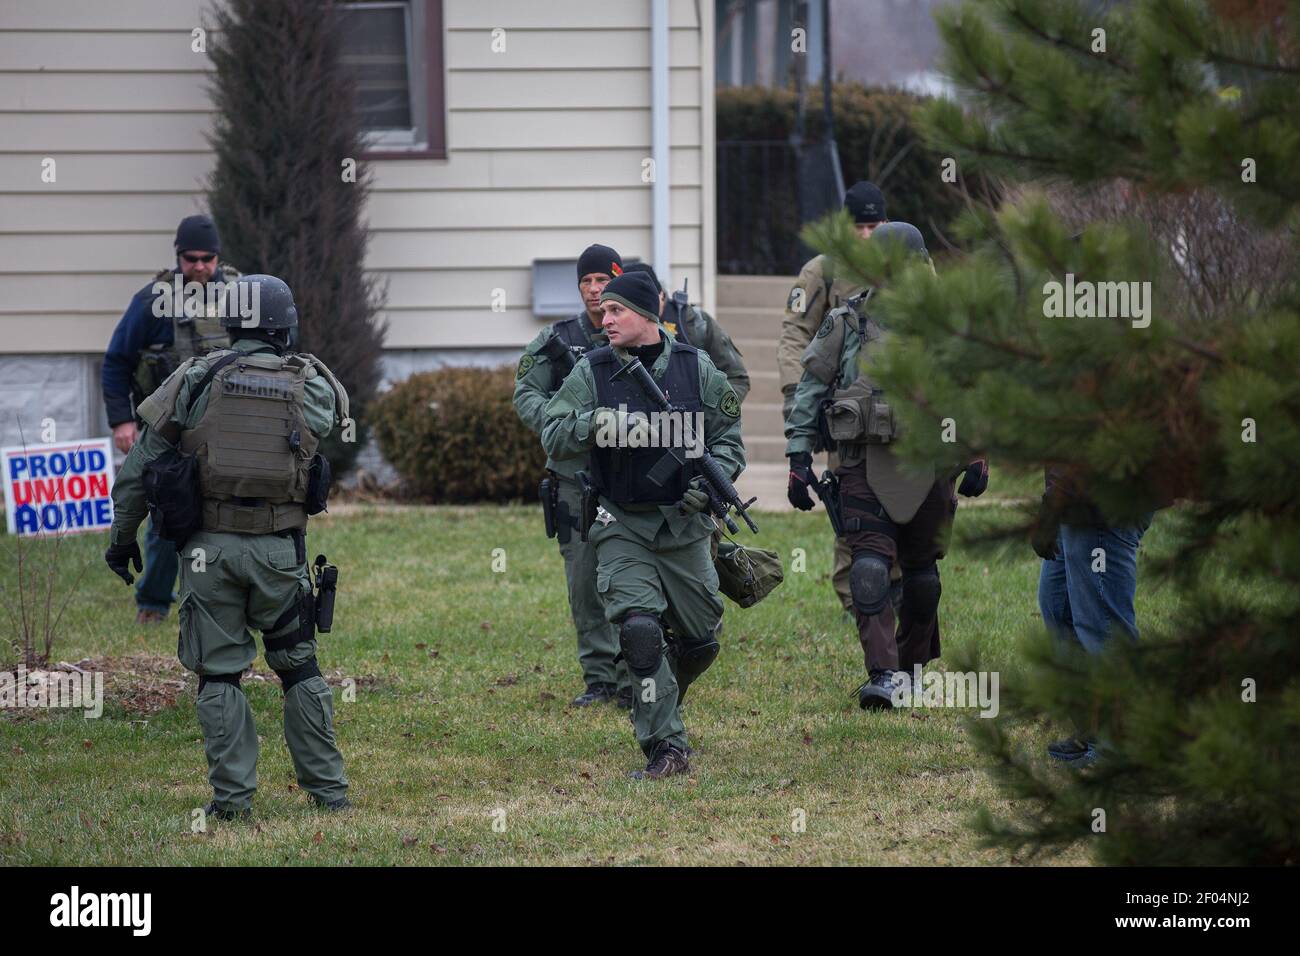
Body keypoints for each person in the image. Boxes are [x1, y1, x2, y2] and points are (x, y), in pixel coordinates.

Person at [104, 274, 349, 820]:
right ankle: (330, 795)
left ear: (231, 322)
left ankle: (233, 804)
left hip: (206, 554)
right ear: (285, 326)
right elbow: (331, 419)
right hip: (279, 553)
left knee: (218, 677)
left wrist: (123, 541)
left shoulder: (193, 378)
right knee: (299, 669)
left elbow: (139, 469)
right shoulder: (310, 382)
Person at [541, 271, 746, 779]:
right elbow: (552, 432)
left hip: (684, 524)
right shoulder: (593, 371)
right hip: (620, 521)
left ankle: (652, 689)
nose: (603, 319)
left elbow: (729, 441)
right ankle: (665, 746)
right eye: (602, 311)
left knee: (702, 638)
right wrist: (600, 424)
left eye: (616, 311)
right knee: (639, 630)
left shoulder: (695, 369)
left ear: (647, 315)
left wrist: (708, 488)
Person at [784, 222, 988, 709]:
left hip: (930, 464)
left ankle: (914, 668)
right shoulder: (845, 322)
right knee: (868, 569)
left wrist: (978, 452)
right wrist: (797, 454)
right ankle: (883, 674)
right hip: (861, 463)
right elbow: (812, 386)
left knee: (922, 576)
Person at [102, 214, 241, 625]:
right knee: (166, 511)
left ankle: (213, 598)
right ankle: (154, 603)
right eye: (191, 258)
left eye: (208, 258)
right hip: (166, 427)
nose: (200, 266)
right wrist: (121, 422)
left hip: (223, 428)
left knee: (225, 516)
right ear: (178, 256)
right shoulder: (151, 302)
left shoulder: (242, 297)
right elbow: (116, 363)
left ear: (218, 256)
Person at [514, 244, 632, 708]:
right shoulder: (556, 340)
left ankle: (632, 675)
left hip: (626, 477)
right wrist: (566, 425)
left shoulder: (635, 332)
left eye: (603, 280)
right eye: (586, 281)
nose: (594, 289)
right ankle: (599, 678)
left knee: (626, 578)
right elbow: (526, 394)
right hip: (574, 481)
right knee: (583, 584)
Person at [779, 182, 888, 612]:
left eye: (874, 225)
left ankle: (896, 586)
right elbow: (794, 333)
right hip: (846, 413)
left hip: (901, 408)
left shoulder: (911, 263)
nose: (866, 235)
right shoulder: (822, 270)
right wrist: (796, 397)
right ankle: (855, 598)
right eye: (858, 226)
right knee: (850, 504)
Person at [1033, 469, 1154, 764]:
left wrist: (1051, 508)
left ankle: (1122, 745)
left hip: (1100, 499)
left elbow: (1082, 445)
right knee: (1057, 604)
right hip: (1076, 498)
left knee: (1104, 626)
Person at [619, 262, 751, 403]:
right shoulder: (614, 330)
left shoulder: (695, 324)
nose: (641, 307)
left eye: (646, 299)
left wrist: (708, 413)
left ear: (662, 295)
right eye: (630, 303)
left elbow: (737, 378)